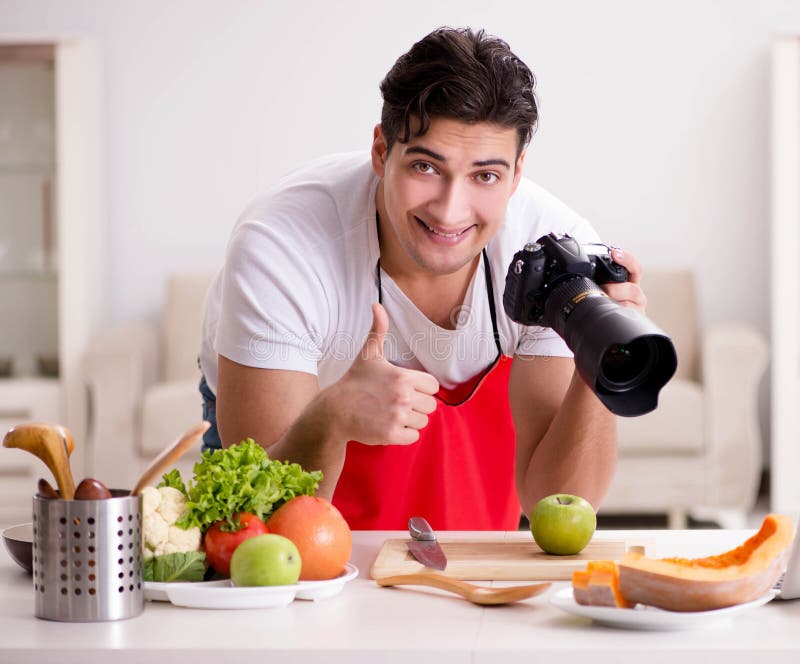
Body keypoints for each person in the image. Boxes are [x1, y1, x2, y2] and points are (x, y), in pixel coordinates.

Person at [197, 27, 647, 530]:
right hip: (293, 434)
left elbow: (554, 502)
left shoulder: (550, 251)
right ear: (381, 151)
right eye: (426, 167)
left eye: (486, 176)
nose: (451, 212)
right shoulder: (282, 247)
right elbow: (268, 519)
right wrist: (331, 416)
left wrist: (597, 363)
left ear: (517, 175)